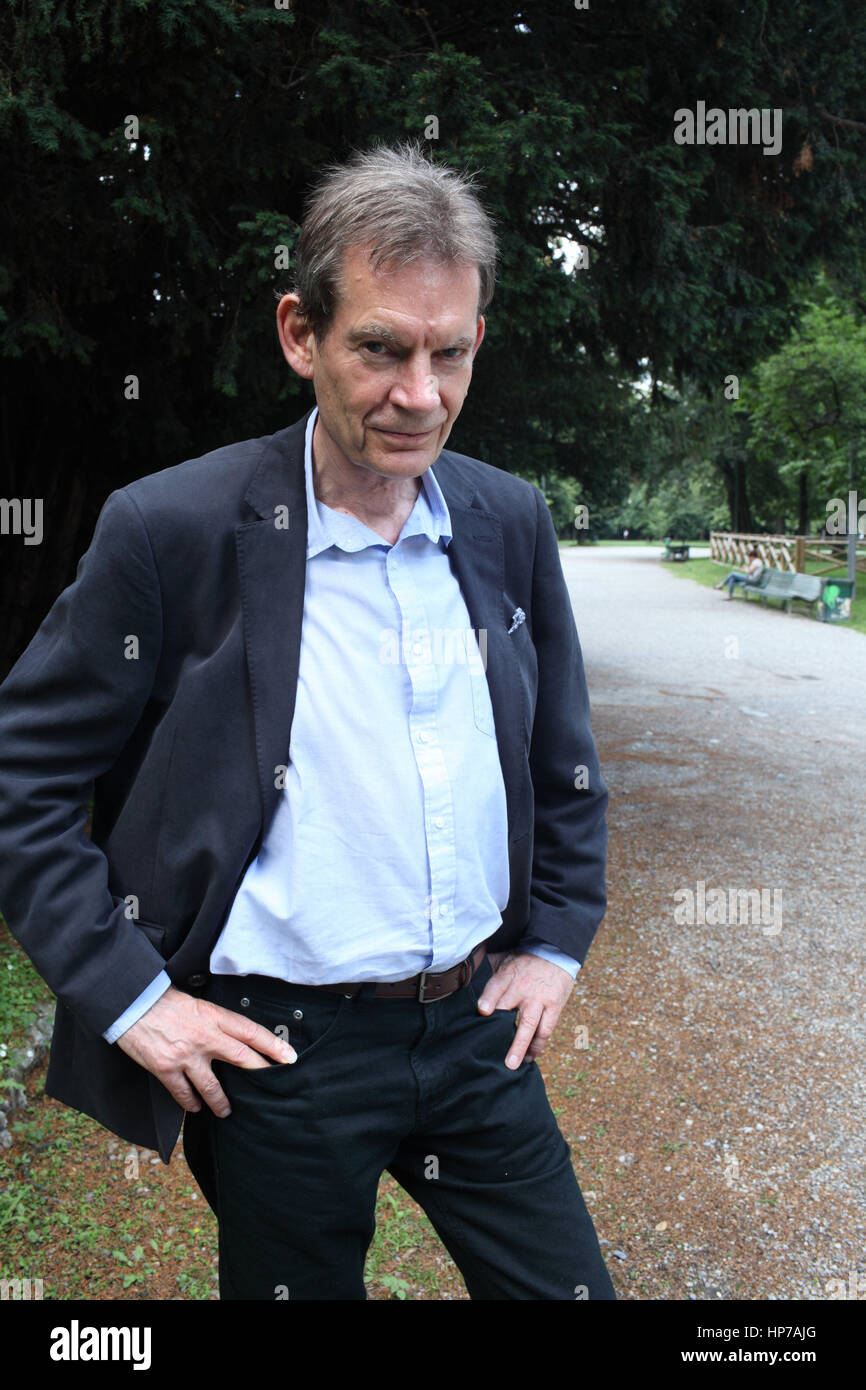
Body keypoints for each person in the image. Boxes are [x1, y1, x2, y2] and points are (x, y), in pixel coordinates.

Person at [0, 143, 615, 1301]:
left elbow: (559, 755)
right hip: (278, 1057)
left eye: (449, 351)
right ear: (300, 334)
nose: (418, 394)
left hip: (474, 1033)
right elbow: (21, 777)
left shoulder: (505, 518)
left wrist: (554, 938)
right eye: (381, 347)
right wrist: (131, 996)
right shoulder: (169, 529)